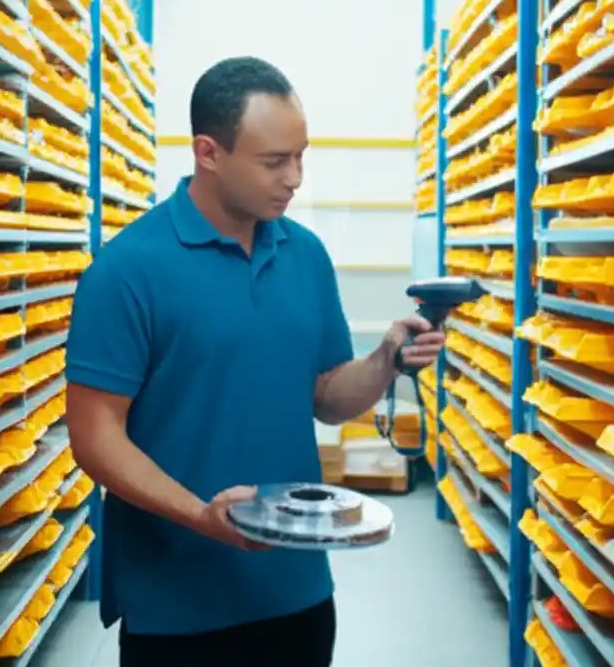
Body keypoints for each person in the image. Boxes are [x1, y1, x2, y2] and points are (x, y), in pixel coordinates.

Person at [65, 56, 446, 667]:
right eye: (275, 161)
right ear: (208, 152)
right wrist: (200, 515)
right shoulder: (128, 271)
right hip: (176, 603)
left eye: (301, 156)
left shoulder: (305, 255)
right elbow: (93, 436)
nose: (294, 177)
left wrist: (385, 361)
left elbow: (326, 395)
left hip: (296, 589)